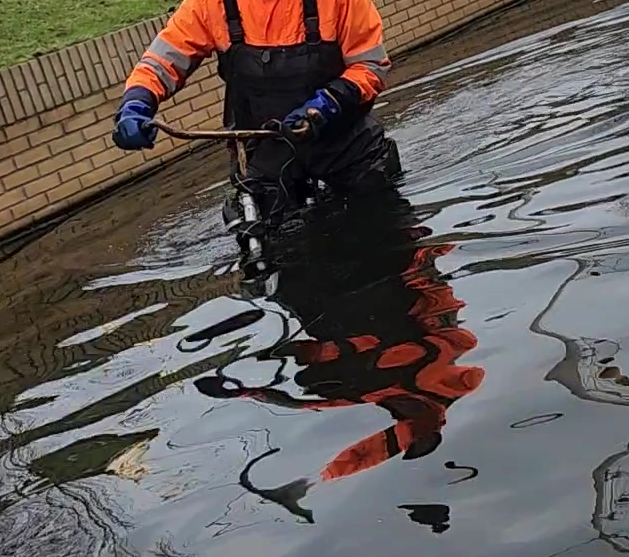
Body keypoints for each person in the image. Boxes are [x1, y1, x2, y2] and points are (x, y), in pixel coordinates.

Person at [112, 0, 401, 232]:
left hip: (342, 140)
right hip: (266, 147)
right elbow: (164, 59)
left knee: (385, 222)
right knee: (265, 237)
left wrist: (329, 102)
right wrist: (137, 103)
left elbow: (371, 66)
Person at [195, 194, 485, 527]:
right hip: (377, 295)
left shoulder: (425, 390)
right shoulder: (454, 379)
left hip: (361, 302)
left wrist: (249, 390)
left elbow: (346, 434)